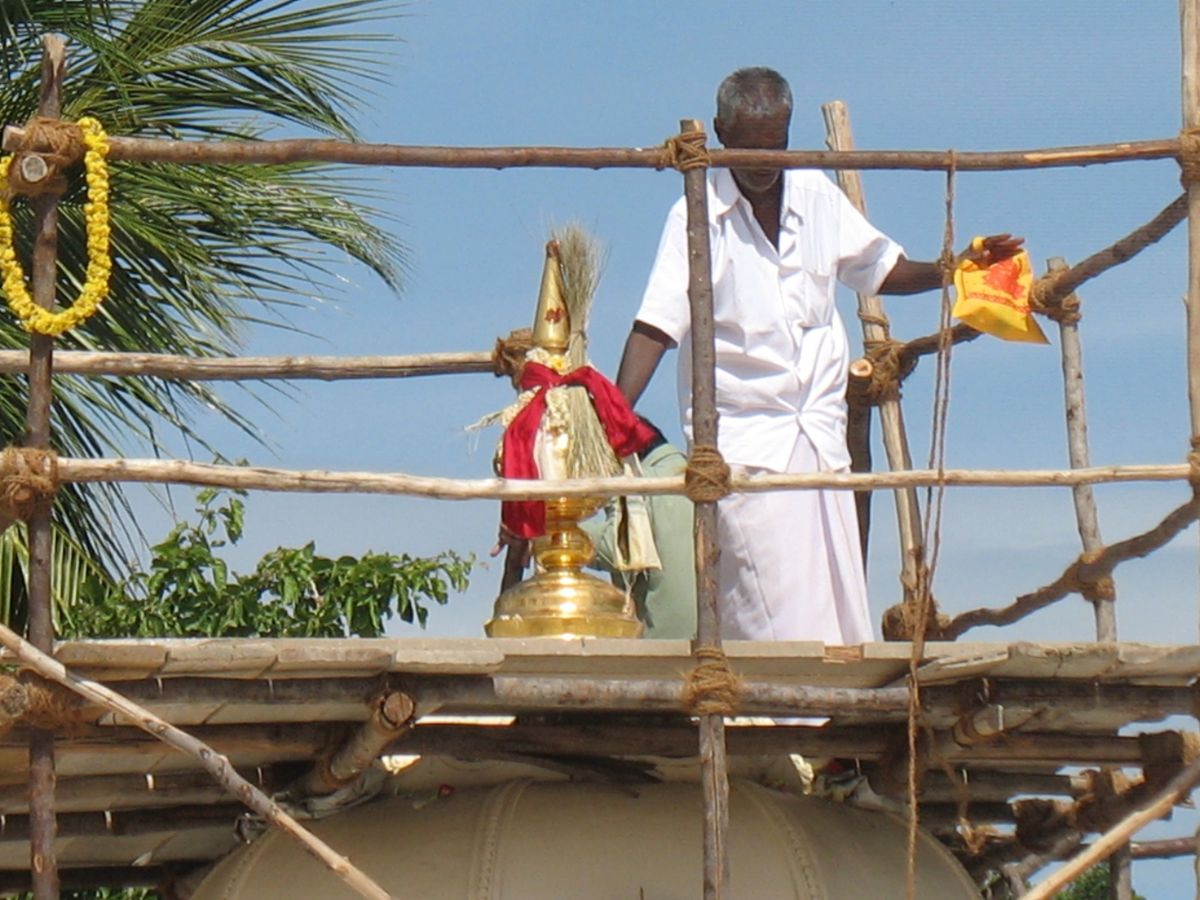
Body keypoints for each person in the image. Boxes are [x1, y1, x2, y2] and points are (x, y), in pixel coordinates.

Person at [615, 67, 1021, 644]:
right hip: (749, 450)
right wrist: (607, 414)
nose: (760, 164)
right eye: (746, 148)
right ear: (720, 133)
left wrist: (954, 268)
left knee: (838, 614)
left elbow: (881, 269)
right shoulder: (695, 214)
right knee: (772, 616)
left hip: (822, 445)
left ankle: (823, 727)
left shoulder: (815, 196)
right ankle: (783, 730)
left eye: (774, 148)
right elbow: (656, 326)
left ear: (789, 135)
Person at [580, 418, 696, 639]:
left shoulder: (635, 481)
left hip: (664, 651)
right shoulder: (688, 476)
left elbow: (618, 548)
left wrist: (549, 532)